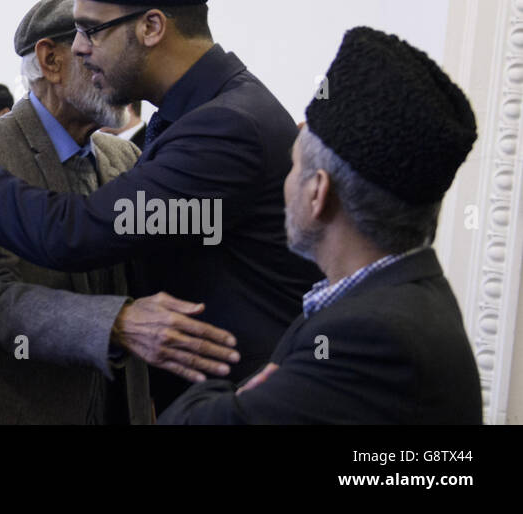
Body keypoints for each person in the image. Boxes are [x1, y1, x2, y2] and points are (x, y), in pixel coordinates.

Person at [0, 0, 319, 408]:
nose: (84, 48)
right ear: (48, 59)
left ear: (151, 27)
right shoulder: (191, 115)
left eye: (92, 29)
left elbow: (75, 232)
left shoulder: (219, 126)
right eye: (77, 35)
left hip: (237, 405)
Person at [0, 0, 237, 425]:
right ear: (51, 60)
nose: (120, 68)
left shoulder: (122, 157)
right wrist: (116, 324)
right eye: (94, 53)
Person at [160, 26, 481, 424]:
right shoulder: (394, 300)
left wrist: (227, 394)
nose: (285, 182)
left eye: (293, 165)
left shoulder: (372, 335)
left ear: (318, 193)